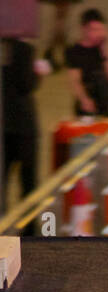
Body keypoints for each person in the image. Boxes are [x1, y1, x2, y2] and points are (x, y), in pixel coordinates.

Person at [1, 37, 44, 212]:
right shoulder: (23, 48)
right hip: (22, 126)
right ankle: (29, 232)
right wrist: (38, 72)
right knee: (28, 182)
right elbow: (26, 84)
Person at [65, 9, 108, 118]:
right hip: (87, 98)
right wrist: (84, 99)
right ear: (84, 29)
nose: (99, 34)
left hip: (103, 97)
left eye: (101, 29)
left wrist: (106, 53)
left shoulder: (101, 48)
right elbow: (75, 81)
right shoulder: (73, 51)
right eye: (94, 29)